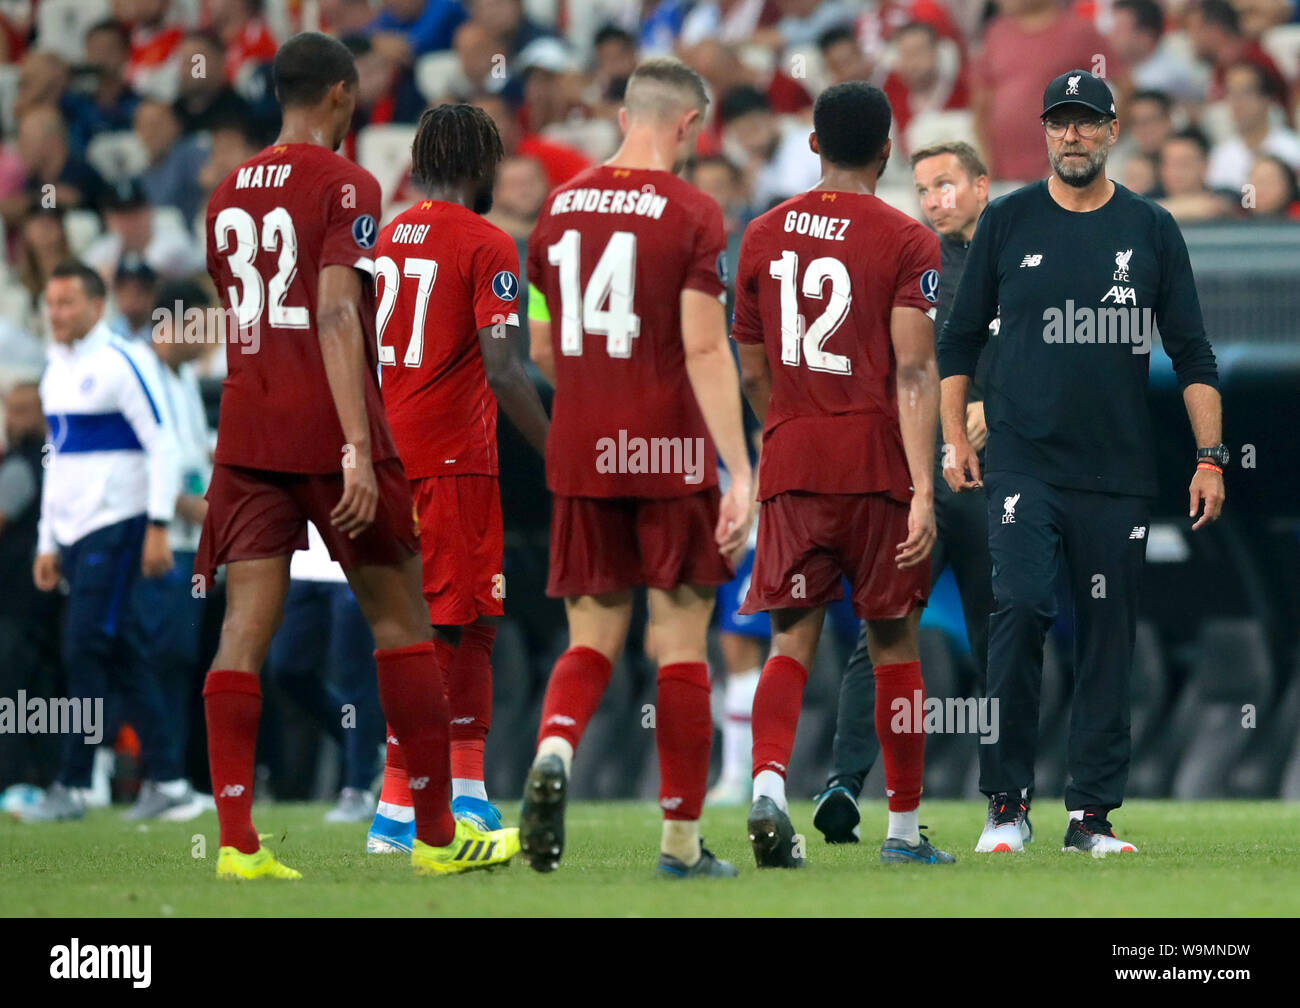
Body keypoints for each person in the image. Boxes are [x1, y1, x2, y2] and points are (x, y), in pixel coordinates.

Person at [198, 31, 518, 880]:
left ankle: (236, 846)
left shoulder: (226, 187)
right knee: (404, 624)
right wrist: (353, 445)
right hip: (334, 427)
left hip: (245, 428)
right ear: (341, 93)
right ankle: (436, 832)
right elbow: (339, 317)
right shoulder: (346, 182)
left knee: (241, 630)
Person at [939, 69, 1225, 855]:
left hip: (1117, 471)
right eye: (1059, 123)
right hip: (1023, 464)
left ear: (1110, 132)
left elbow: (1193, 352)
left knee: (1108, 635)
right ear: (1046, 132)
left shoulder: (1151, 227)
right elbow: (958, 339)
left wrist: (1211, 457)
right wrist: (955, 438)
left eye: (1086, 123)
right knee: (1022, 609)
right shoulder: (1007, 222)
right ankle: (1006, 805)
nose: (1071, 136)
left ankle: (1090, 817)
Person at [521, 56, 753, 879]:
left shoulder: (555, 210)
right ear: (690, 126)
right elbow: (701, 345)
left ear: (624, 117)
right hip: (669, 453)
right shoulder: (693, 212)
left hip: (580, 451)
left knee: (591, 637)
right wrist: (741, 468)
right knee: (682, 640)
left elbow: (542, 341)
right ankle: (682, 843)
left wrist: (593, 396)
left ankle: (553, 749)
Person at [731, 80, 953, 868]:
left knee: (789, 640)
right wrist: (925, 487)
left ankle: (764, 786)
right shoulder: (907, 238)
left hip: (791, 457)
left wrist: (785, 431)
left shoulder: (759, 233)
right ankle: (899, 833)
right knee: (894, 645)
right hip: (875, 465)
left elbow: (753, 370)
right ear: (889, 150)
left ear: (814, 144)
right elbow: (915, 373)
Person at [364, 103, 551, 853]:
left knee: (468, 624)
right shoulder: (486, 241)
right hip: (450, 460)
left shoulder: (387, 237)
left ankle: (465, 792)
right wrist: (558, 453)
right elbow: (505, 369)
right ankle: (398, 809)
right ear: (482, 167)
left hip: (394, 456)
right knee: (442, 634)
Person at [813, 140, 1006, 847]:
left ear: (982, 187)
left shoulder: (1024, 261)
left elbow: (1063, 356)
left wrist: (1000, 405)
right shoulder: (909, 264)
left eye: (947, 185)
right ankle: (842, 781)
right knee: (885, 632)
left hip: (995, 479)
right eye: (923, 189)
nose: (934, 200)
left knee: (1001, 642)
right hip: (918, 477)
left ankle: (1003, 801)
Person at [25, 260, 184, 823]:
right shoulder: (55, 369)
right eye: (51, 304)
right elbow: (58, 462)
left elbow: (163, 445)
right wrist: (47, 540)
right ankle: (168, 778)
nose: (57, 314)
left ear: (96, 306)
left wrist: (159, 526)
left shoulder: (123, 360)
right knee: (120, 651)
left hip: (117, 524)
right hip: (72, 530)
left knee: (82, 646)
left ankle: (70, 785)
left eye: (67, 303)